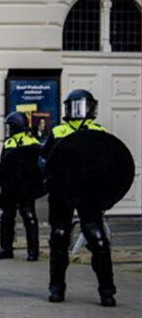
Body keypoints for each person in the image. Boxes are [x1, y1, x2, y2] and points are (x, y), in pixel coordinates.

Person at [42, 89, 114, 306]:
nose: (79, 111)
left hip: (88, 191)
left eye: (82, 106)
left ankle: (107, 291)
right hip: (62, 190)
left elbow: (109, 163)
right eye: (75, 106)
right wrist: (48, 175)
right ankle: (56, 288)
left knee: (98, 238)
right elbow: (43, 159)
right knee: (59, 236)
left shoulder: (98, 131)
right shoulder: (59, 131)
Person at [0, 112, 40, 261]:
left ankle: (33, 250)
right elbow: (3, 165)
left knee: (28, 216)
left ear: (15, 126)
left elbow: (36, 167)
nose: (8, 129)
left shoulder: (31, 143)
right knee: (7, 217)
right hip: (10, 187)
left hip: (24, 187)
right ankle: (6, 248)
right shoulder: (9, 142)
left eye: (10, 126)